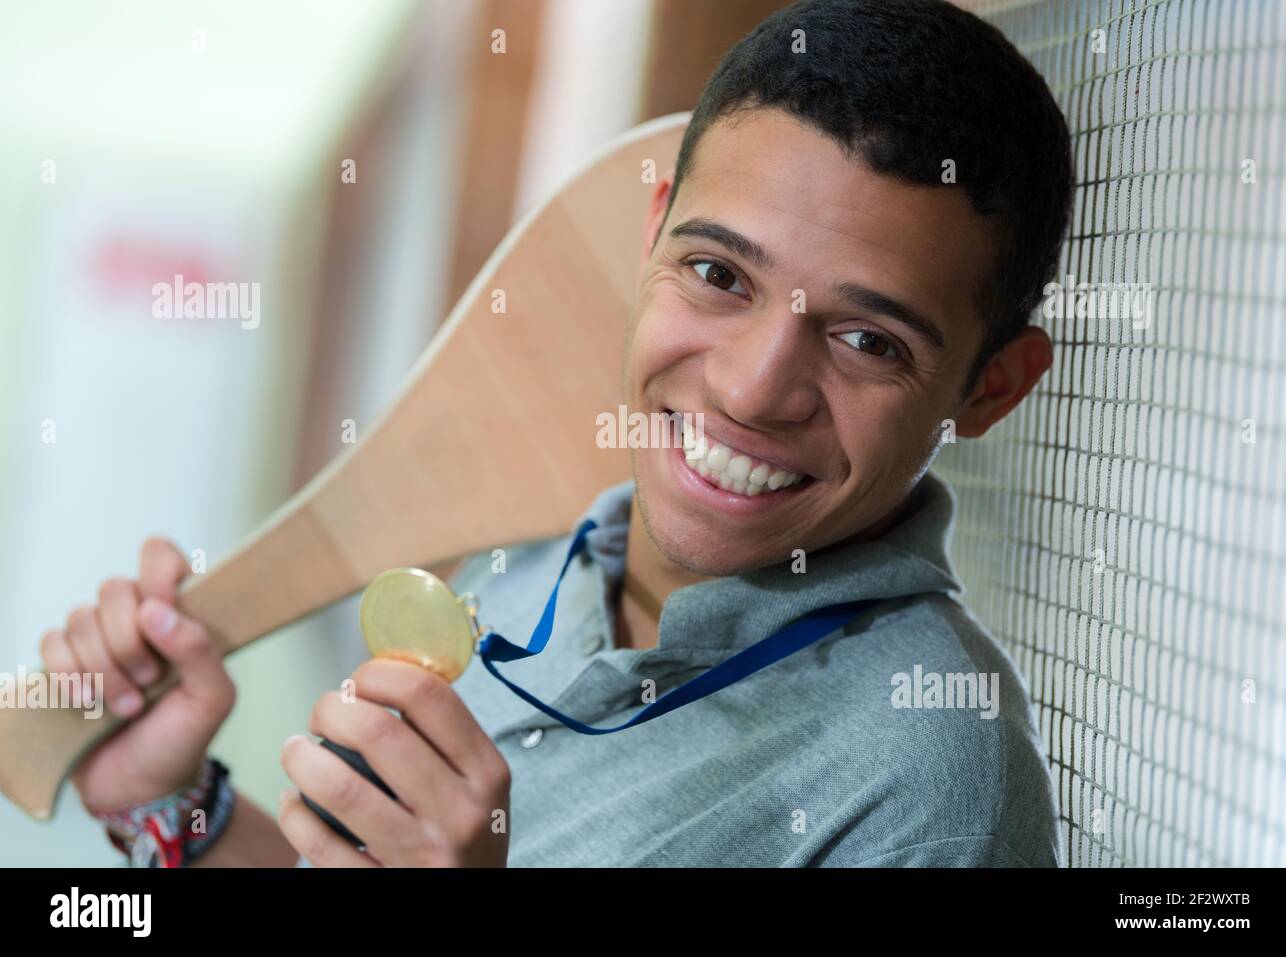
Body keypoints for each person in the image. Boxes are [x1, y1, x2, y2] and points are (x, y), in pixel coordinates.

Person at [40, 0, 1073, 867]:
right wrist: (169, 806)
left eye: (864, 340)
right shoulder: (543, 564)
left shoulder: (935, 786)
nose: (756, 390)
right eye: (717, 275)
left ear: (990, 388)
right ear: (653, 229)